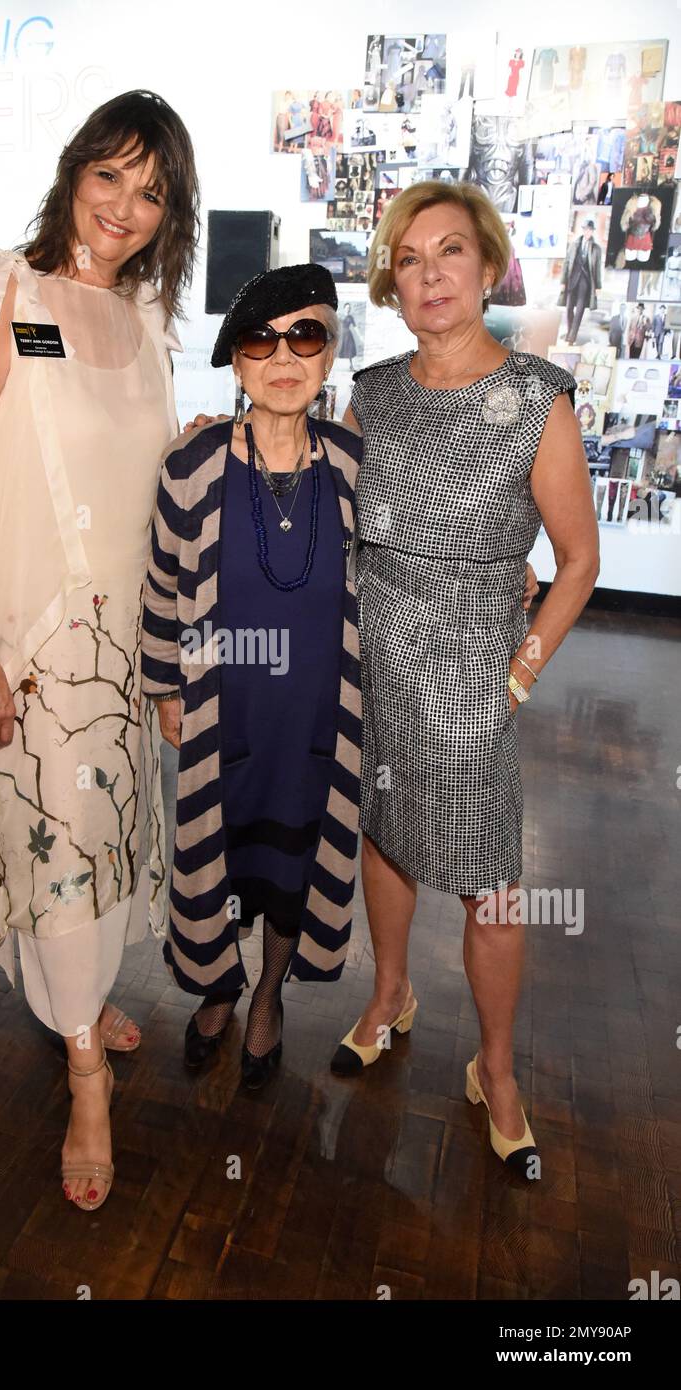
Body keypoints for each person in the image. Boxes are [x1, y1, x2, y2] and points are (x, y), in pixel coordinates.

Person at [0, 90, 199, 1212]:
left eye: (151, 191)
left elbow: (156, 485)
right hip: (32, 648)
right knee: (59, 836)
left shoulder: (145, 324)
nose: (124, 207)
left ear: (171, 217)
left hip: (128, 644)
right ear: (74, 171)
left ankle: (82, 994)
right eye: (109, 175)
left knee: (104, 835)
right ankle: (82, 1076)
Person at [333, 180, 599, 1176]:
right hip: (376, 652)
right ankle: (388, 992)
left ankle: (495, 1063)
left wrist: (518, 677)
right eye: (408, 257)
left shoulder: (536, 397)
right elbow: (336, 514)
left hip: (475, 672)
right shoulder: (374, 390)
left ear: (488, 269)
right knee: (385, 832)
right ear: (392, 281)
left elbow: (575, 562)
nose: (430, 272)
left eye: (450, 251)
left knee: (491, 883)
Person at [141, 265, 363, 1090]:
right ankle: (216, 991)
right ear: (236, 361)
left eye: (304, 335)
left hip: (317, 717)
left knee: (291, 867)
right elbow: (161, 585)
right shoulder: (192, 463)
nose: (283, 355)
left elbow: (407, 565)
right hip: (220, 714)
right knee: (217, 859)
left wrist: (504, 572)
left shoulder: (352, 465)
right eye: (259, 339)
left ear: (329, 354)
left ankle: (266, 996)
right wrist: (166, 687)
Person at [559, 219, 603, 345]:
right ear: (583, 230)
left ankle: (571, 338)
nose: (587, 232)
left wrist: (598, 286)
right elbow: (566, 263)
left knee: (579, 311)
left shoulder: (596, 248)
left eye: (590, 230)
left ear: (592, 231)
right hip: (572, 280)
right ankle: (570, 332)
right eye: (586, 229)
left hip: (586, 282)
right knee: (568, 309)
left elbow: (598, 268)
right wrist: (563, 281)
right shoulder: (574, 244)